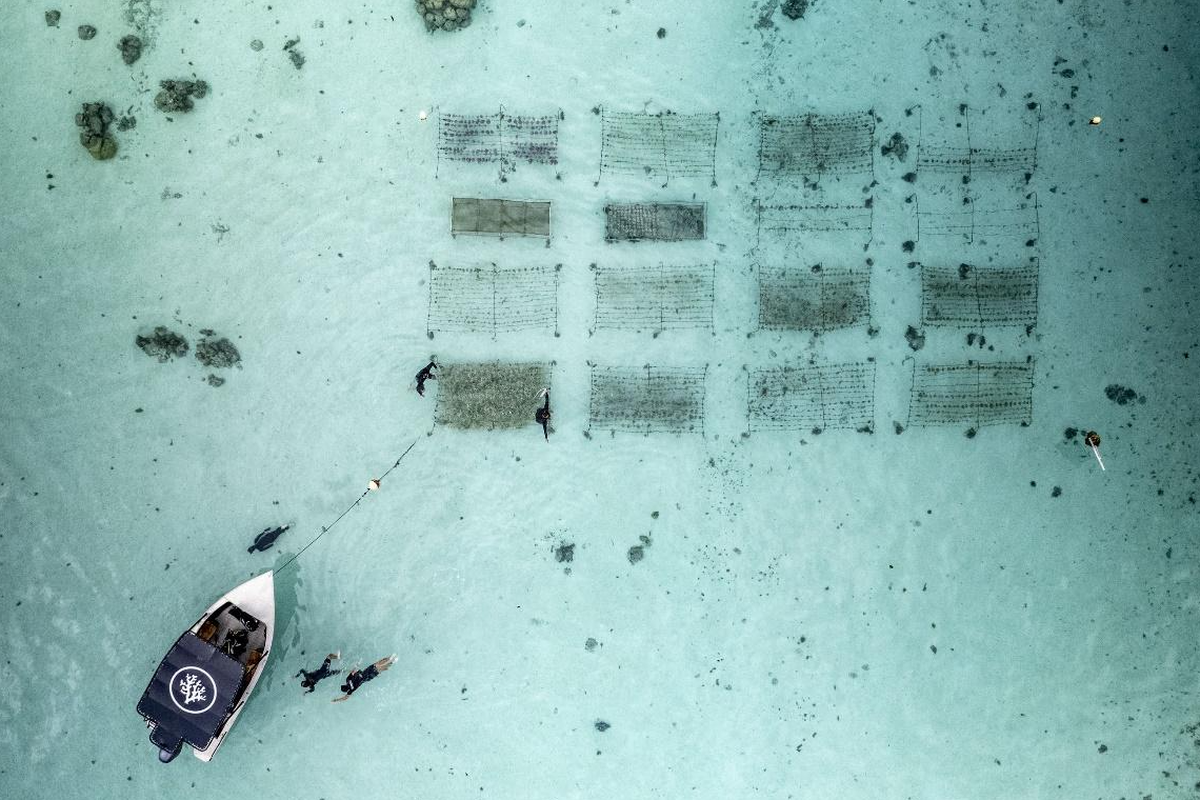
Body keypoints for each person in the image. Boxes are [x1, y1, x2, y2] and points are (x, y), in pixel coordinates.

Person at [332, 654, 396, 702]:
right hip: (364, 673)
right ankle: (389, 658)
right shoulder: (347, 680)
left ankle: (392, 662)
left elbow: (345, 698)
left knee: (379, 670)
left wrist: (337, 700)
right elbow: (353, 671)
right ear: (344, 685)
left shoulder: (351, 690)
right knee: (375, 665)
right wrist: (358, 664)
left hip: (367, 678)